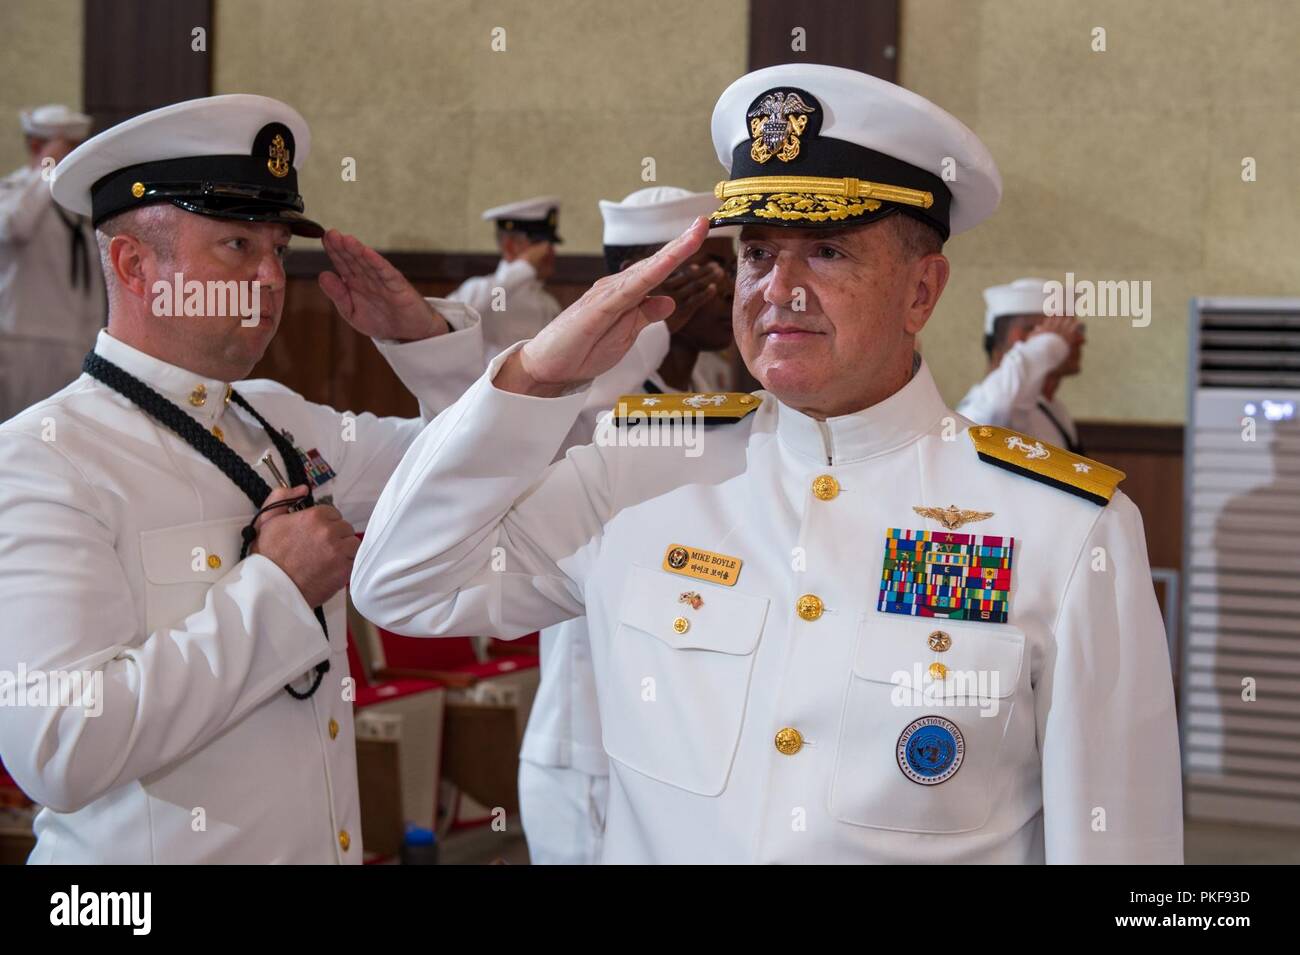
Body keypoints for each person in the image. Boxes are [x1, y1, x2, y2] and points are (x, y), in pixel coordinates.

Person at [351, 63, 1183, 864]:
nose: (775, 289)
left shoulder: (1065, 530)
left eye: (826, 252)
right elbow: (399, 581)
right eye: (757, 253)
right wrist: (534, 379)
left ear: (922, 292)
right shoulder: (641, 475)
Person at [0, 94, 480, 863]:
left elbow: (465, 471)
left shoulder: (278, 420)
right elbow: (61, 747)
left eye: (278, 250)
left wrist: (422, 342)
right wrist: (276, 593)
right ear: (133, 264)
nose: (268, 278)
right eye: (235, 247)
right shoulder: (43, 457)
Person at [0, 104, 104, 420]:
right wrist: (48, 171)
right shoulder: (14, 191)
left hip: (76, 342)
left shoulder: (77, 205)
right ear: (36, 146)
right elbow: (14, 227)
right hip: (23, 339)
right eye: (68, 148)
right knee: (19, 437)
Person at [957, 278, 1087, 451]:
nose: (1080, 339)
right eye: (1065, 331)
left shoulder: (1054, 410)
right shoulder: (990, 406)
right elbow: (996, 408)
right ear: (1021, 338)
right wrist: (1046, 346)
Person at [449, 196, 562, 355]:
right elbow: (458, 317)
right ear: (509, 245)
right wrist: (524, 265)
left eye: (550, 245)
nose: (549, 251)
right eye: (539, 243)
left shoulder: (547, 303)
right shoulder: (497, 292)